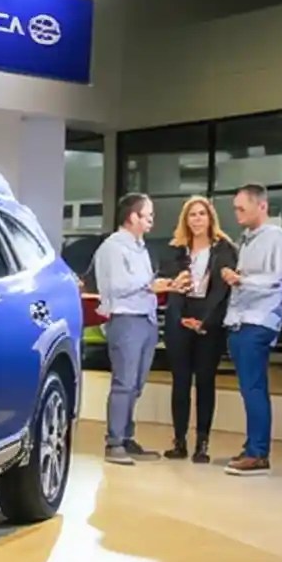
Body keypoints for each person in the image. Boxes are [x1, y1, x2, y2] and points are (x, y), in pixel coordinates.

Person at [93, 193, 181, 465]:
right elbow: (118, 285)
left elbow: (144, 282)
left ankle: (127, 437)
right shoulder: (113, 247)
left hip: (146, 318)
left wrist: (161, 285)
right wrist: (149, 284)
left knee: (136, 385)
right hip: (125, 319)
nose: (152, 220)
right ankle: (114, 441)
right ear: (133, 217)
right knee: (124, 383)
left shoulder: (140, 247)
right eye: (148, 215)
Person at [160, 197, 237, 463]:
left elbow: (222, 292)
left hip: (209, 323)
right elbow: (171, 287)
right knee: (180, 382)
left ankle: (202, 443)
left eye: (201, 214)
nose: (196, 219)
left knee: (205, 381)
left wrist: (204, 321)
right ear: (185, 219)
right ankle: (179, 441)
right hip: (179, 320)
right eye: (192, 215)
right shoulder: (175, 250)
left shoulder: (225, 249)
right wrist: (182, 317)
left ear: (210, 218)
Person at [222, 183, 282, 477]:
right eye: (235, 208)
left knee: (253, 388)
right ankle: (253, 446)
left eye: (242, 208)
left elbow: (277, 281)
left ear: (261, 206)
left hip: (259, 321)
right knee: (248, 388)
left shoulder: (275, 237)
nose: (237, 213)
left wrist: (241, 281)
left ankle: (258, 454)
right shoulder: (248, 239)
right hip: (240, 321)